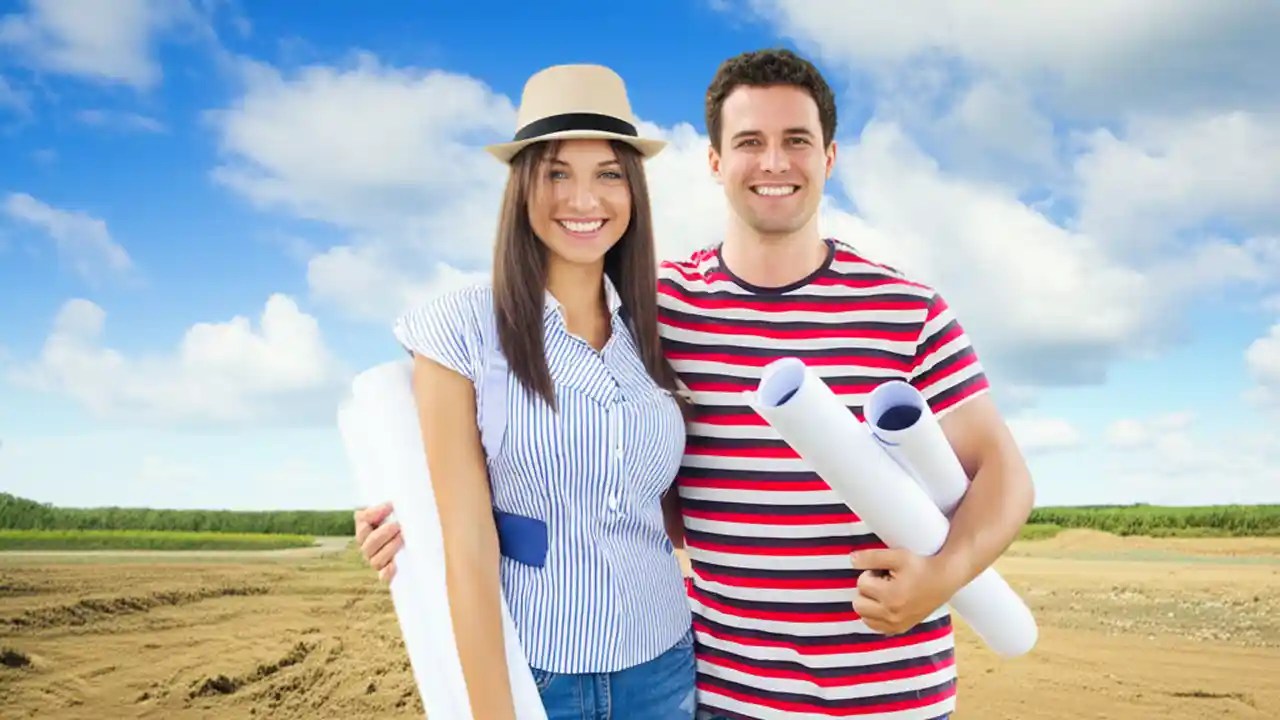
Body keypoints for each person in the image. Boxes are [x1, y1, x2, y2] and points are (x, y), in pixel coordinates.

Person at [358, 49, 1035, 720]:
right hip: (725, 697)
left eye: (795, 141)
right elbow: (609, 475)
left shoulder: (906, 308)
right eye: (749, 142)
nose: (773, 162)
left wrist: (941, 578)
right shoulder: (662, 310)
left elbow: (1003, 475)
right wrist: (418, 516)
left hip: (891, 701)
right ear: (714, 162)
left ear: (829, 158)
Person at [357, 63, 697, 720]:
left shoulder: (653, 333)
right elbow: (467, 541)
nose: (583, 199)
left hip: (665, 668)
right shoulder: (461, 329)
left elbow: (672, 509)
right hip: (536, 675)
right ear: (522, 188)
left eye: (608, 174)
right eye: (557, 173)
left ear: (634, 191)